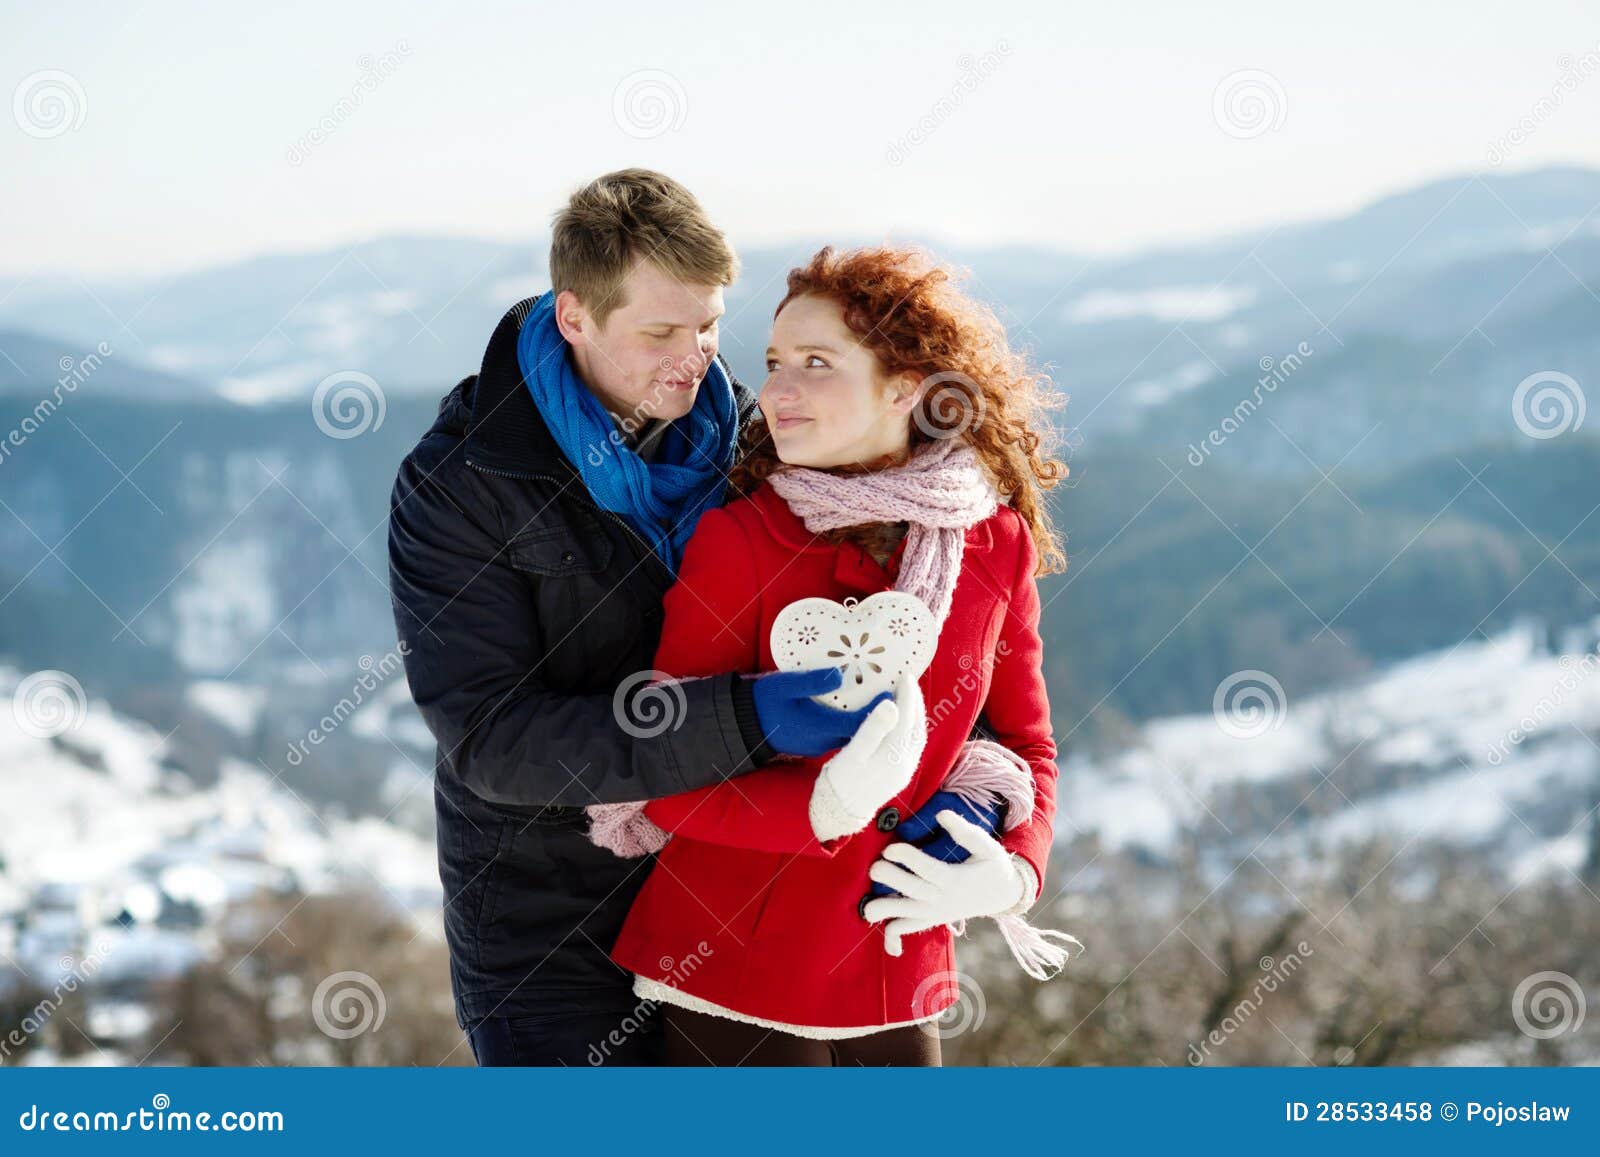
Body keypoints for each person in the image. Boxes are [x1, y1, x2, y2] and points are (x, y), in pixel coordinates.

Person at [387, 171, 896, 1066]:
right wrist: (745, 718)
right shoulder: (463, 482)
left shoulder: (751, 440)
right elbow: (493, 738)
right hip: (549, 930)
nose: (693, 356)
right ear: (575, 315)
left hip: (731, 886)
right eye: (660, 332)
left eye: (707, 326)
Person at [602, 245, 1075, 1065]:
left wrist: (1016, 871)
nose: (779, 392)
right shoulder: (742, 540)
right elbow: (659, 772)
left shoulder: (995, 546)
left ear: (908, 386)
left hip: (897, 958)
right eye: (775, 363)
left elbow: (1026, 746)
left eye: (816, 363)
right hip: (734, 971)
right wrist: (819, 806)